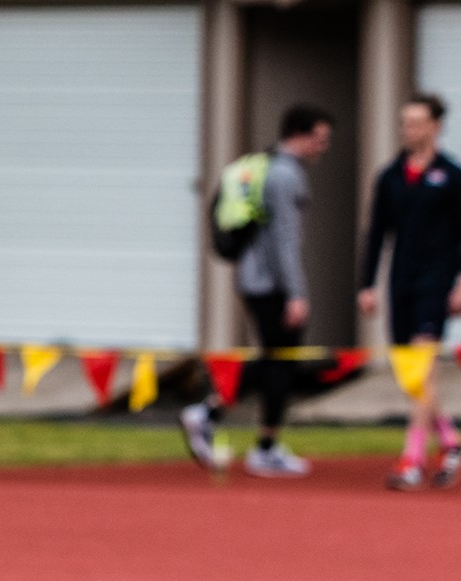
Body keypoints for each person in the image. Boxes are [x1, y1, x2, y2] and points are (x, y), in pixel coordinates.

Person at [182, 104, 333, 480]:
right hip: (271, 284)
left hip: (255, 279)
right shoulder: (285, 176)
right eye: (320, 138)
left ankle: (213, 413)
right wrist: (296, 292)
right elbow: (285, 240)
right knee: (281, 359)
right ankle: (259, 443)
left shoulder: (266, 168)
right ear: (301, 134)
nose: (323, 147)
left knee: (274, 358)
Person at [358, 93, 461, 491]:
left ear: (435, 126)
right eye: (405, 123)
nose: (409, 130)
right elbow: (376, 234)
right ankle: (451, 440)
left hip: (436, 283)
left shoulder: (451, 176)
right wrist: (366, 283)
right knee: (410, 376)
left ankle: (412, 459)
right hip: (400, 281)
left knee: (422, 366)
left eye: (417, 123)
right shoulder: (390, 177)